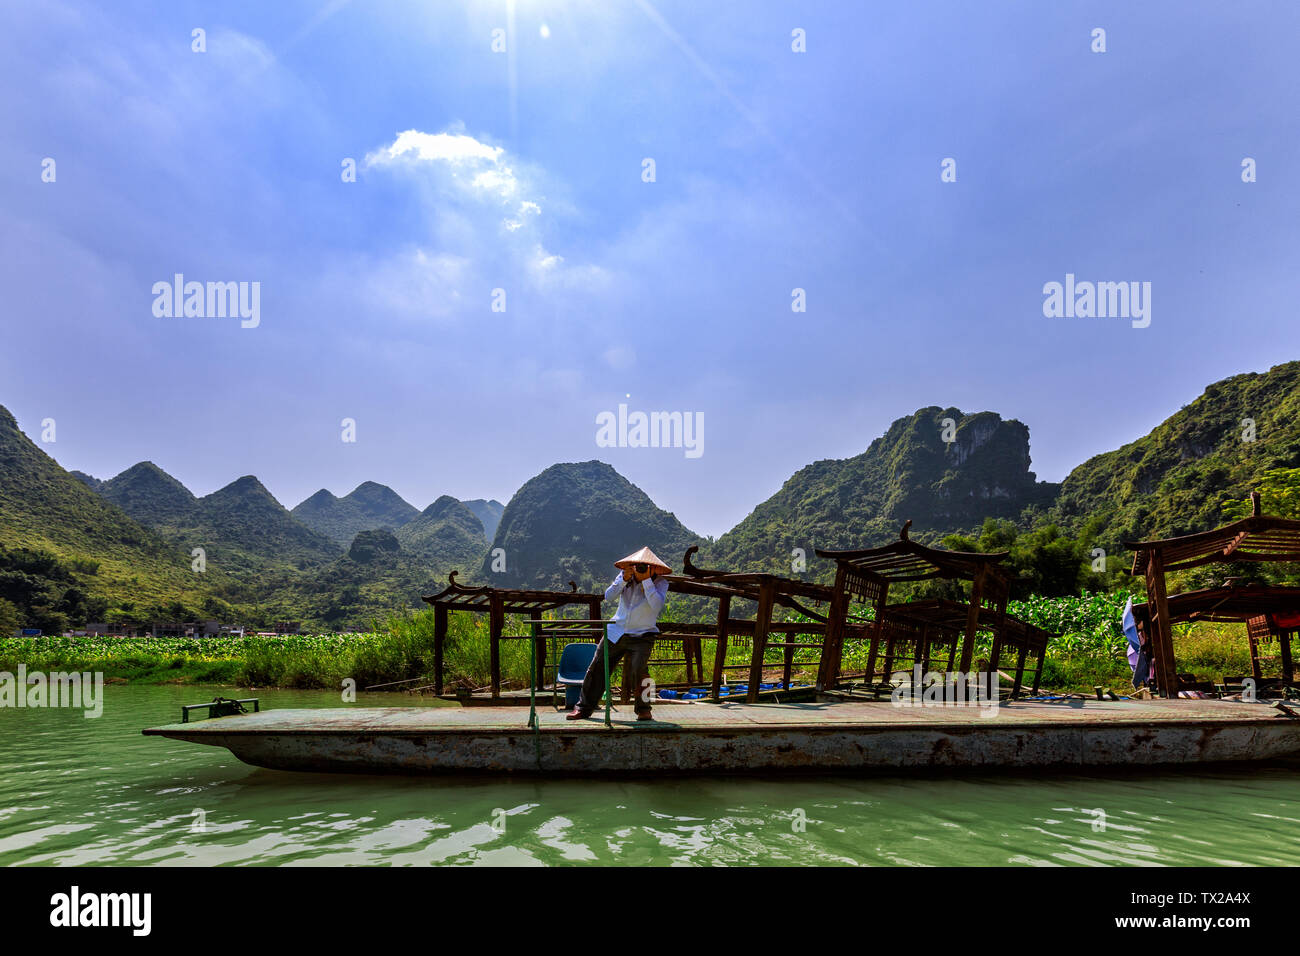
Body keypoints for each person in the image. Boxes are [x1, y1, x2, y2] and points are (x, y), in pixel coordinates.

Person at [566, 547, 671, 721]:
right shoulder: (624, 577)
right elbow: (608, 597)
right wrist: (623, 579)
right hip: (616, 631)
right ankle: (583, 708)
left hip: (643, 635)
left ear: (653, 568)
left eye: (644, 566)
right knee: (596, 667)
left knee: (641, 672)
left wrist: (646, 581)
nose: (640, 568)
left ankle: (644, 710)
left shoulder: (660, 583)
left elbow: (656, 606)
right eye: (637, 565)